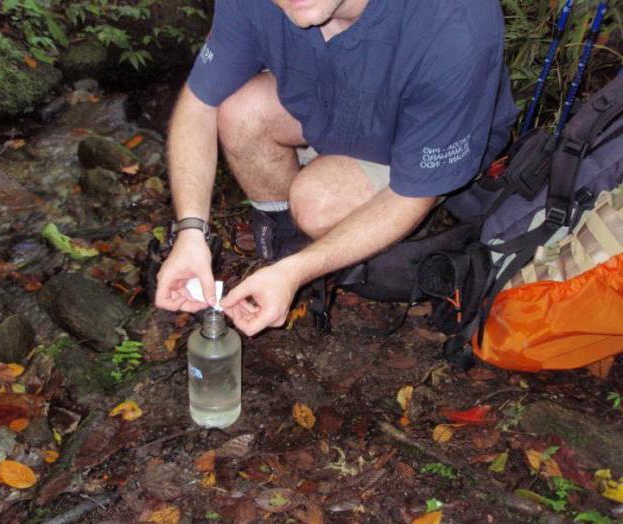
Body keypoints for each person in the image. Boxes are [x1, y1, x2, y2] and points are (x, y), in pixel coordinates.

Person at [154, 0, 519, 336]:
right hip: (336, 101)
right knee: (240, 111)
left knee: (318, 201)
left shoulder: (453, 21)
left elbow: (413, 194)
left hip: (415, 141)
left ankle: (305, 261)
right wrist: (190, 232)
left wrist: (298, 271)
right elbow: (199, 104)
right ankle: (283, 244)